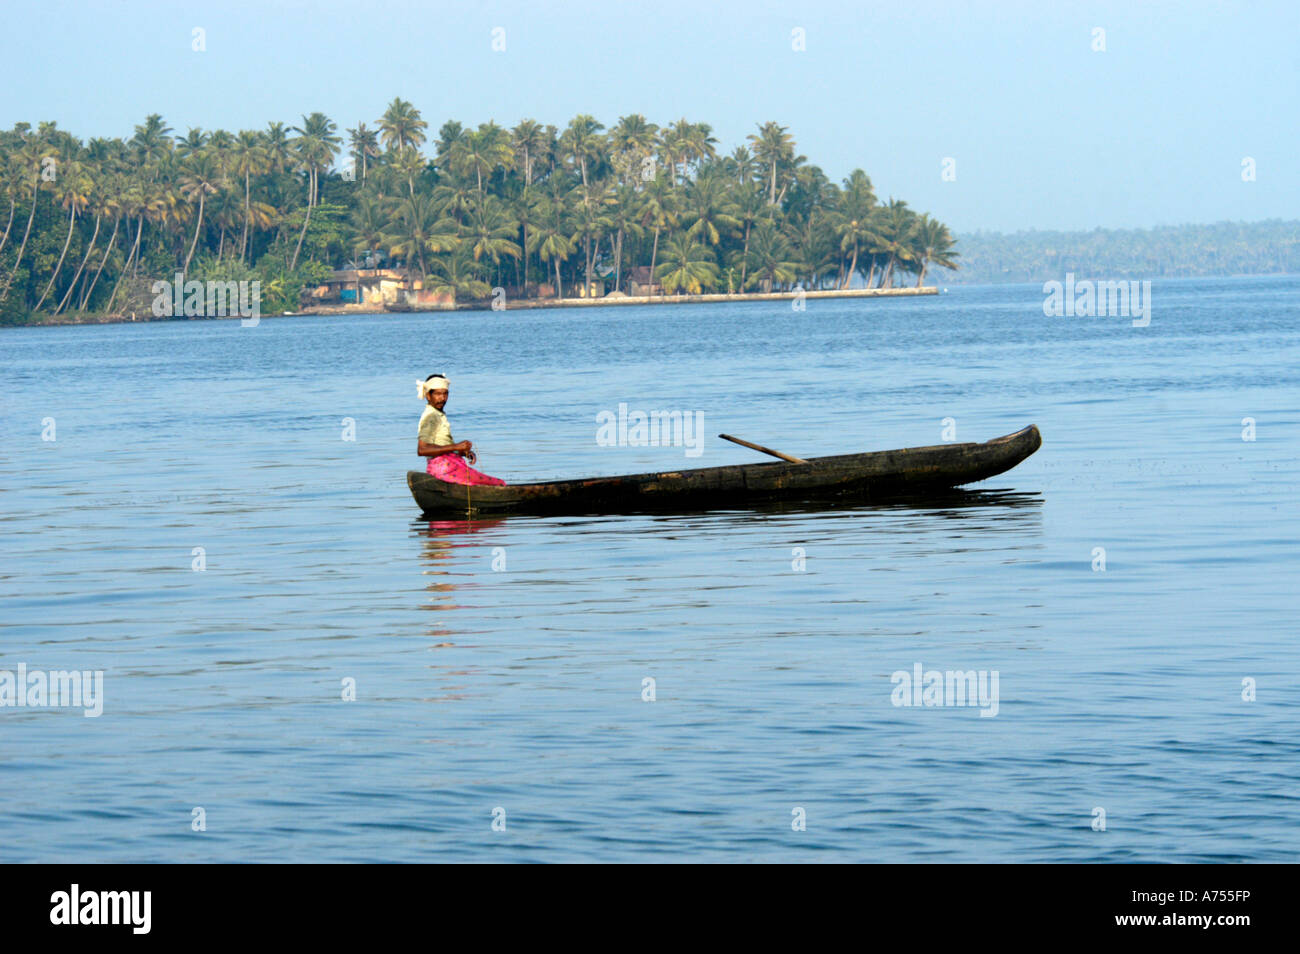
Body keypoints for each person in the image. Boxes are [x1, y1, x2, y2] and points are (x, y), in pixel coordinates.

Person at [417, 374, 507, 486]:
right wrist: (456, 447)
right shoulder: (431, 416)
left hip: (448, 466)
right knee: (498, 484)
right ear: (428, 396)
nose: (442, 398)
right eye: (437, 394)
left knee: (487, 482)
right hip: (444, 470)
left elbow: (441, 445)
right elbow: (422, 450)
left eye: (445, 394)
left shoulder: (438, 415)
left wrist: (462, 452)